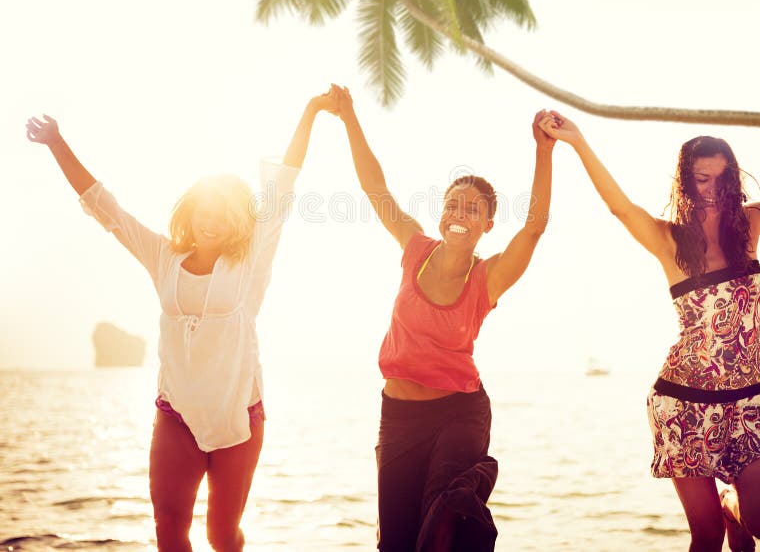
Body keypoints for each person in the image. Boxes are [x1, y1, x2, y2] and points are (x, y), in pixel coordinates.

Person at [26, 90, 336, 552]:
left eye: (223, 215)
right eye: (204, 212)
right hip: (177, 417)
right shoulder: (162, 257)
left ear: (238, 221)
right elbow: (104, 206)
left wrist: (309, 112)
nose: (211, 222)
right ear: (190, 213)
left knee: (221, 535)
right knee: (169, 530)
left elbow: (282, 184)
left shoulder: (251, 260)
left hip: (239, 417)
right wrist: (56, 143)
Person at [538, 111, 760, 552]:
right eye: (702, 179)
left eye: (722, 178)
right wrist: (577, 141)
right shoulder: (669, 242)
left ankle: (732, 505)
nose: (714, 190)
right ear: (686, 182)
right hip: (683, 404)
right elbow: (620, 206)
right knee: (706, 537)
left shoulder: (752, 224)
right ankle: (721, 519)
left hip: (748, 401)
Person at [329, 85, 555, 551]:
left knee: (441, 521)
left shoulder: (487, 278)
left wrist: (543, 151)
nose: (459, 214)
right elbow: (375, 187)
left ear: (487, 225)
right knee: (394, 543)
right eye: (452, 204)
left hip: (459, 412)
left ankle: (471, 486)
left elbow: (533, 227)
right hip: (399, 416)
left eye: (473, 209)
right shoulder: (415, 250)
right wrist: (349, 117)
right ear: (441, 213)